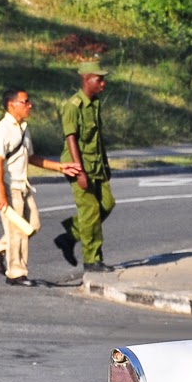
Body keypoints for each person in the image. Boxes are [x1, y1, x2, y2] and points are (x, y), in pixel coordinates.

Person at [0, 88, 81, 287]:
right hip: (9, 187)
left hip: (23, 186)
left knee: (33, 226)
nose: (30, 105)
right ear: (12, 105)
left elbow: (32, 158)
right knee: (16, 231)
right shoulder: (1, 130)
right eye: (25, 102)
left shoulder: (23, 128)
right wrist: (1, 196)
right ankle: (16, 274)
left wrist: (61, 166)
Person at [57, 61, 116, 272]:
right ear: (85, 79)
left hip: (96, 164)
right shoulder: (73, 106)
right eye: (98, 79)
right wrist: (79, 171)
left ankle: (70, 235)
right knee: (90, 210)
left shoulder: (96, 103)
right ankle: (92, 260)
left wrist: (106, 163)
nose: (103, 83)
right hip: (78, 165)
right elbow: (71, 139)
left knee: (107, 204)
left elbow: (98, 138)